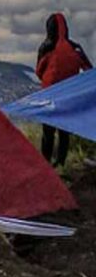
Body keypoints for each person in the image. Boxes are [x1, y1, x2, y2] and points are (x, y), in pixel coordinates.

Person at [36, 13, 92, 167]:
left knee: (48, 132)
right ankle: (60, 163)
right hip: (69, 95)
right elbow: (88, 69)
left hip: (48, 95)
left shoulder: (46, 48)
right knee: (64, 130)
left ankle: (45, 164)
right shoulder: (76, 48)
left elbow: (39, 71)